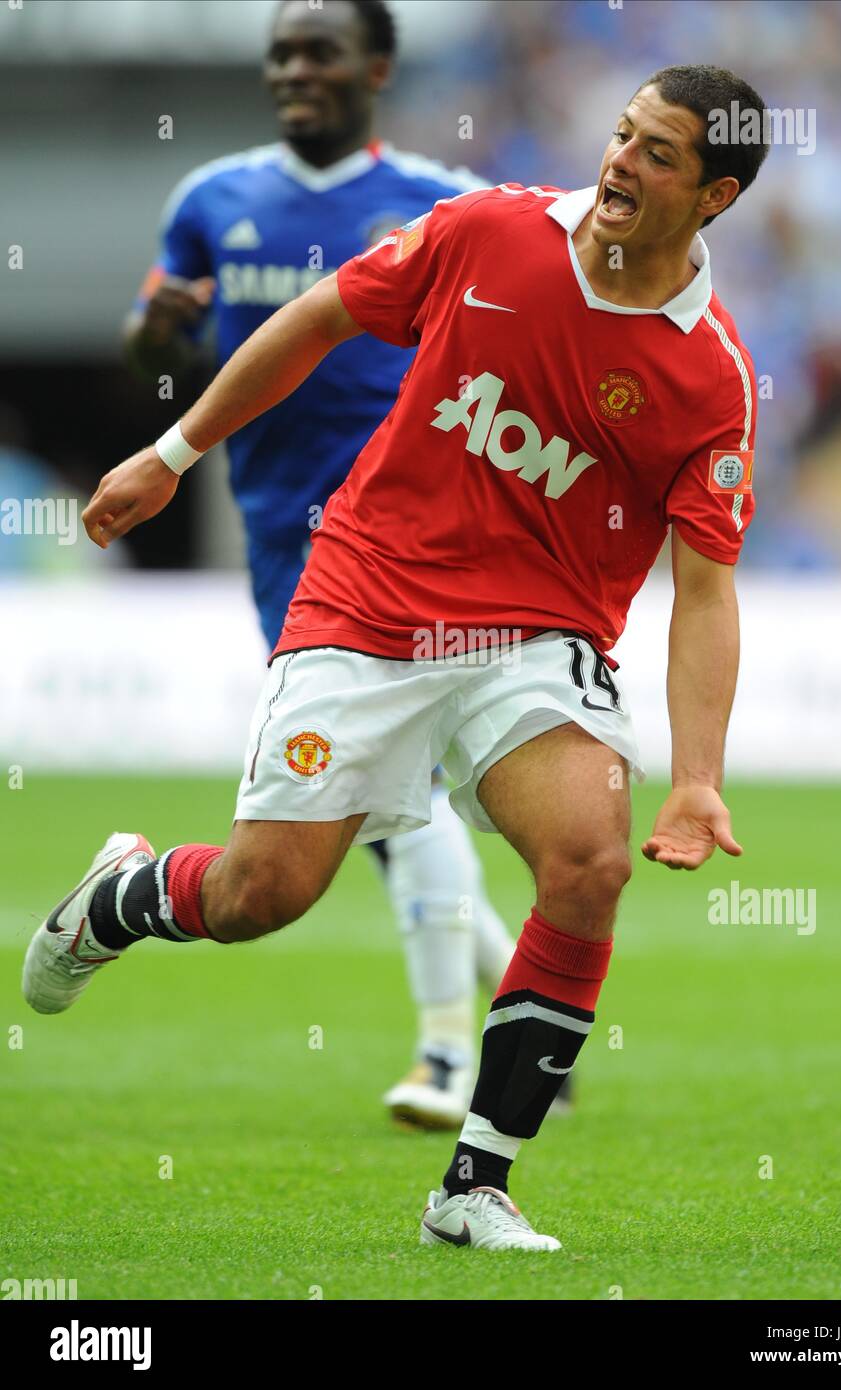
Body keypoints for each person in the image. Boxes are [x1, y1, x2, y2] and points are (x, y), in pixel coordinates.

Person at [25, 64, 768, 1250]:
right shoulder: (489, 232)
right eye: (622, 134)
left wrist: (696, 775)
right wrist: (169, 454)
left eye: (658, 154)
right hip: (370, 597)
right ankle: (120, 894)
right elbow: (316, 318)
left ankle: (472, 1187)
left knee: (587, 861)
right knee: (262, 896)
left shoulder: (709, 374)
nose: (620, 162)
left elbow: (706, 587)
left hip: (534, 639)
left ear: (713, 196)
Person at [123, 0, 519, 1130]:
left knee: (405, 789)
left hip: (412, 535)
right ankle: (518, 1000)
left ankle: (448, 1054)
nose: (294, 71)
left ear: (376, 69)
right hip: (278, 536)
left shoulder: (442, 203)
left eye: (319, 53)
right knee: (383, 797)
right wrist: (159, 331)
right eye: (280, 55)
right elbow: (150, 342)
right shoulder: (210, 198)